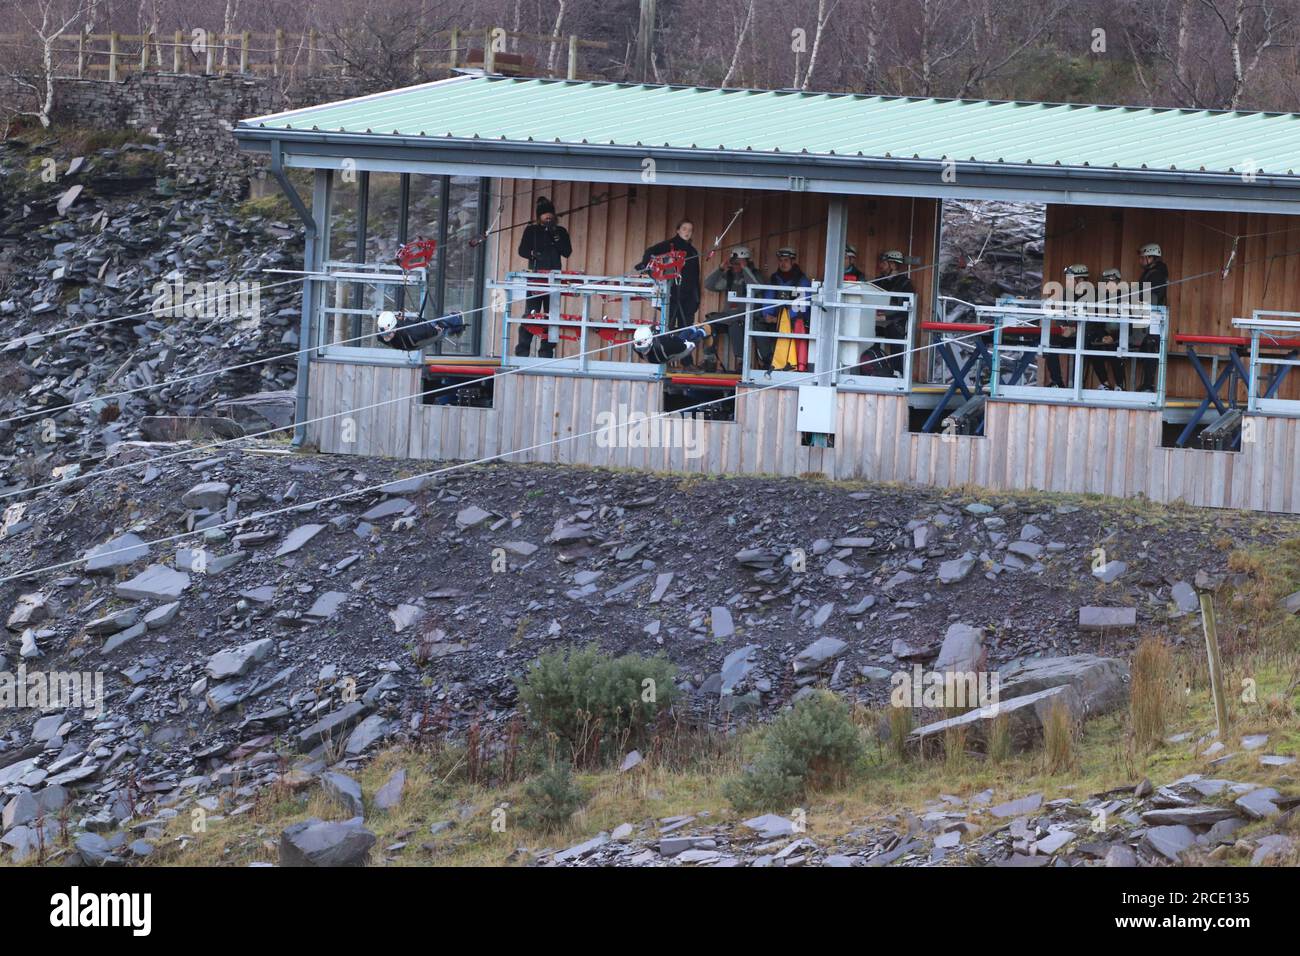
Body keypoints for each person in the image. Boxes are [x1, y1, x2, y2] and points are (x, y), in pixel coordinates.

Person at [516, 196, 573, 359]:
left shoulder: (560, 232)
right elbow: (522, 250)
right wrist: (532, 254)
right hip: (535, 278)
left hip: (554, 280)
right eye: (544, 215)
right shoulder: (532, 231)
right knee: (531, 314)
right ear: (539, 216)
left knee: (551, 315)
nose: (548, 217)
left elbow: (567, 252)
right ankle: (523, 351)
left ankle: (546, 352)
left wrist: (555, 236)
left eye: (550, 214)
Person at [704, 244, 762, 372]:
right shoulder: (729, 276)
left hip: (745, 316)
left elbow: (757, 288)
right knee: (708, 324)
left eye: (738, 263)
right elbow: (709, 285)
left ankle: (741, 362)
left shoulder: (754, 274)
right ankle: (709, 360)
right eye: (734, 263)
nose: (735, 266)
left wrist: (745, 268)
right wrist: (720, 269)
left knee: (736, 324)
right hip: (728, 316)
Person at [762, 247, 814, 371]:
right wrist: (767, 315)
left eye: (786, 260)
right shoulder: (774, 278)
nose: (782, 263)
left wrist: (782, 319)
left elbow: (802, 305)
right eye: (780, 260)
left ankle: (790, 363)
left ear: (792, 261)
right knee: (757, 325)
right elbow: (768, 297)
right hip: (774, 320)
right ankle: (769, 361)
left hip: (794, 320)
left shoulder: (801, 280)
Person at [871, 250, 916, 377]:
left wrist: (887, 317)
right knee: (867, 331)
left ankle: (898, 371)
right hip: (876, 321)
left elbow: (907, 309)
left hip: (896, 322)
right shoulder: (879, 281)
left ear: (893, 265)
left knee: (895, 333)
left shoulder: (904, 283)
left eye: (884, 263)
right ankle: (873, 368)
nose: (881, 265)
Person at [1135, 243, 1169, 392]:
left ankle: (1148, 385)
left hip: (1153, 316)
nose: (1140, 261)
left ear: (1150, 258)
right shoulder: (1152, 273)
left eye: (1143, 258)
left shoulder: (1156, 275)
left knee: (1150, 346)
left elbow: (1152, 296)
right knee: (1147, 347)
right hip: (1148, 315)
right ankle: (1147, 384)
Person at [1086, 268, 1126, 390]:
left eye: (1112, 281)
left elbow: (1129, 324)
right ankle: (1105, 383)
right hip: (1104, 334)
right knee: (1092, 346)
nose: (1109, 284)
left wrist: (1114, 337)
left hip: (1122, 336)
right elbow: (1095, 322)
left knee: (1115, 348)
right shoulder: (1100, 298)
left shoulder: (1126, 297)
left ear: (1118, 282)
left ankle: (1120, 385)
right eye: (1106, 281)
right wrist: (1102, 336)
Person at [376, 309, 464, 351]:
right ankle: (454, 323)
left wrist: (436, 330)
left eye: (387, 334)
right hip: (415, 342)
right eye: (384, 334)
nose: (385, 337)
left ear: (394, 328)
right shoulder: (380, 336)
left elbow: (429, 331)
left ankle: (455, 319)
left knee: (440, 326)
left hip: (418, 336)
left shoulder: (413, 332)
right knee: (441, 331)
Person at [631, 322, 711, 365]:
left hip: (659, 354)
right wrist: (670, 337)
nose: (643, 350)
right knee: (689, 344)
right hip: (675, 351)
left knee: (681, 338)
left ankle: (692, 328)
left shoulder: (636, 346)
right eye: (641, 349)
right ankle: (703, 332)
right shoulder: (664, 346)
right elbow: (682, 346)